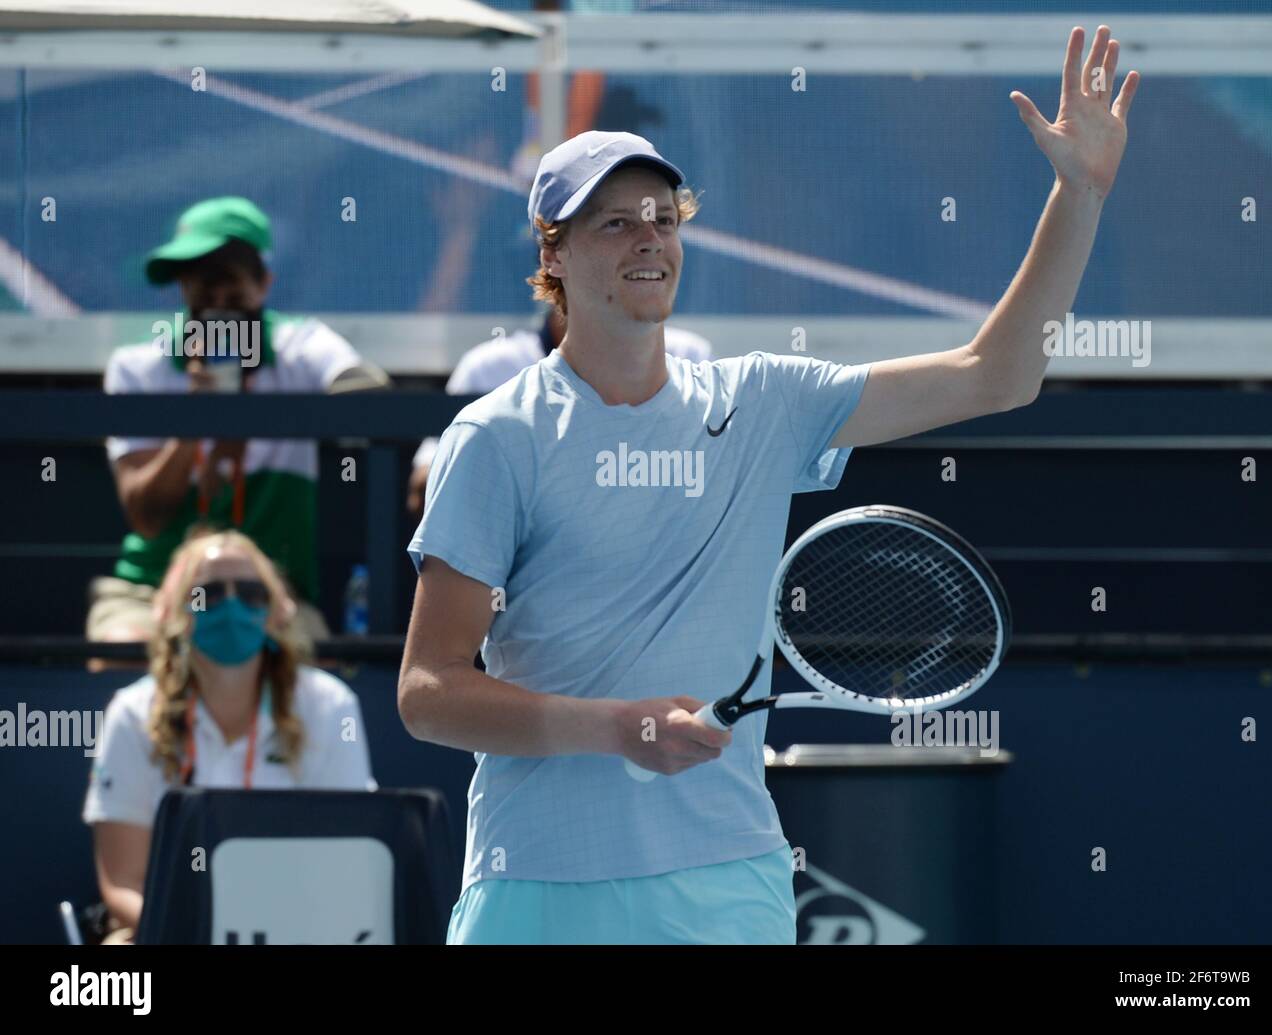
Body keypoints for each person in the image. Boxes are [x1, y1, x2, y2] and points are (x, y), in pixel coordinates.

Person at [399, 27, 1138, 944]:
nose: (649, 239)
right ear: (554, 254)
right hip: (533, 880)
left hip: (722, 882)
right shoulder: (496, 433)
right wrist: (616, 728)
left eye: (664, 218)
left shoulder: (764, 400)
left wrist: (1079, 194)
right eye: (615, 221)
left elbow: (1000, 373)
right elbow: (429, 692)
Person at [88, 197, 390, 657]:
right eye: (200, 291)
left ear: (264, 284)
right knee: (122, 655)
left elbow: (367, 393)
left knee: (304, 678)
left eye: (231, 292)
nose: (217, 310)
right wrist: (193, 423)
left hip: (270, 592)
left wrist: (268, 403)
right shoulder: (137, 368)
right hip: (150, 588)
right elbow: (145, 517)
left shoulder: (299, 345)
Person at [83, 528, 377, 944]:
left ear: (278, 612)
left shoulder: (330, 705)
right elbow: (123, 883)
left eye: (252, 592)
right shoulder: (131, 714)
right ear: (174, 612)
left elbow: (348, 859)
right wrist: (202, 934)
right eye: (210, 593)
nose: (232, 605)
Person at [406, 307, 712, 513]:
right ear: (553, 261)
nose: (648, 244)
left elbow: (707, 482)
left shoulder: (691, 356)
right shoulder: (487, 366)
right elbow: (425, 490)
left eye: (665, 224)